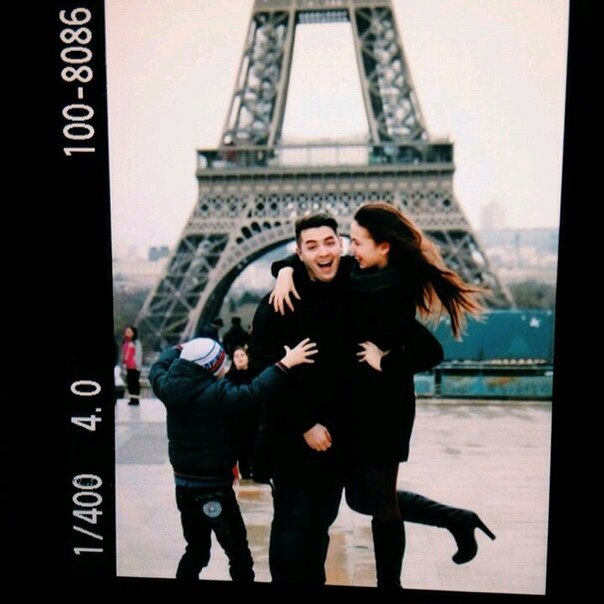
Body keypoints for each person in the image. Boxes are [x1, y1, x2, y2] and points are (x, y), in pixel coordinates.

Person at [270, 204, 496, 588]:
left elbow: (430, 351)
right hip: (357, 407)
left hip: (386, 411)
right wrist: (285, 270)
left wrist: (385, 361)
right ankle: (456, 519)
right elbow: (311, 258)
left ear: (384, 246)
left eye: (357, 242)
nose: (350, 249)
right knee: (363, 498)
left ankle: (390, 585)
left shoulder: (392, 292)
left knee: (381, 503)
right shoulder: (358, 273)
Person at [148, 335, 317, 583]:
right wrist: (285, 364)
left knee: (196, 550)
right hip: (214, 488)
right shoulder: (217, 393)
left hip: (183, 486)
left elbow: (157, 367)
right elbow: (254, 392)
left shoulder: (167, 387)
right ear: (211, 367)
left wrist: (179, 349)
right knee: (239, 555)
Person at [248, 213, 353, 585]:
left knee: (320, 527)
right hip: (291, 437)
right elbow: (262, 375)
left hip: (338, 436)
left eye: (329, 242)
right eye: (312, 246)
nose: (323, 252)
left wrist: (285, 267)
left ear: (341, 244)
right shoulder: (278, 303)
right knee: (293, 524)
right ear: (299, 251)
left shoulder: (354, 284)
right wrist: (305, 424)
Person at [225, 346, 256, 480]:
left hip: (255, 419)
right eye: (236, 356)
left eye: (242, 355)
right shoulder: (228, 378)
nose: (239, 358)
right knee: (242, 454)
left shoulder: (256, 375)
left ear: (248, 357)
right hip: (237, 422)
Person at [121, 325, 143, 405]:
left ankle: (136, 399)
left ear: (133, 333)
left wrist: (138, 366)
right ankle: (131, 398)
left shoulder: (136, 342)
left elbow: (139, 354)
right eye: (126, 332)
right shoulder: (125, 342)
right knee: (129, 383)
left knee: (135, 383)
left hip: (134, 366)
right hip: (128, 366)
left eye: (129, 332)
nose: (127, 333)